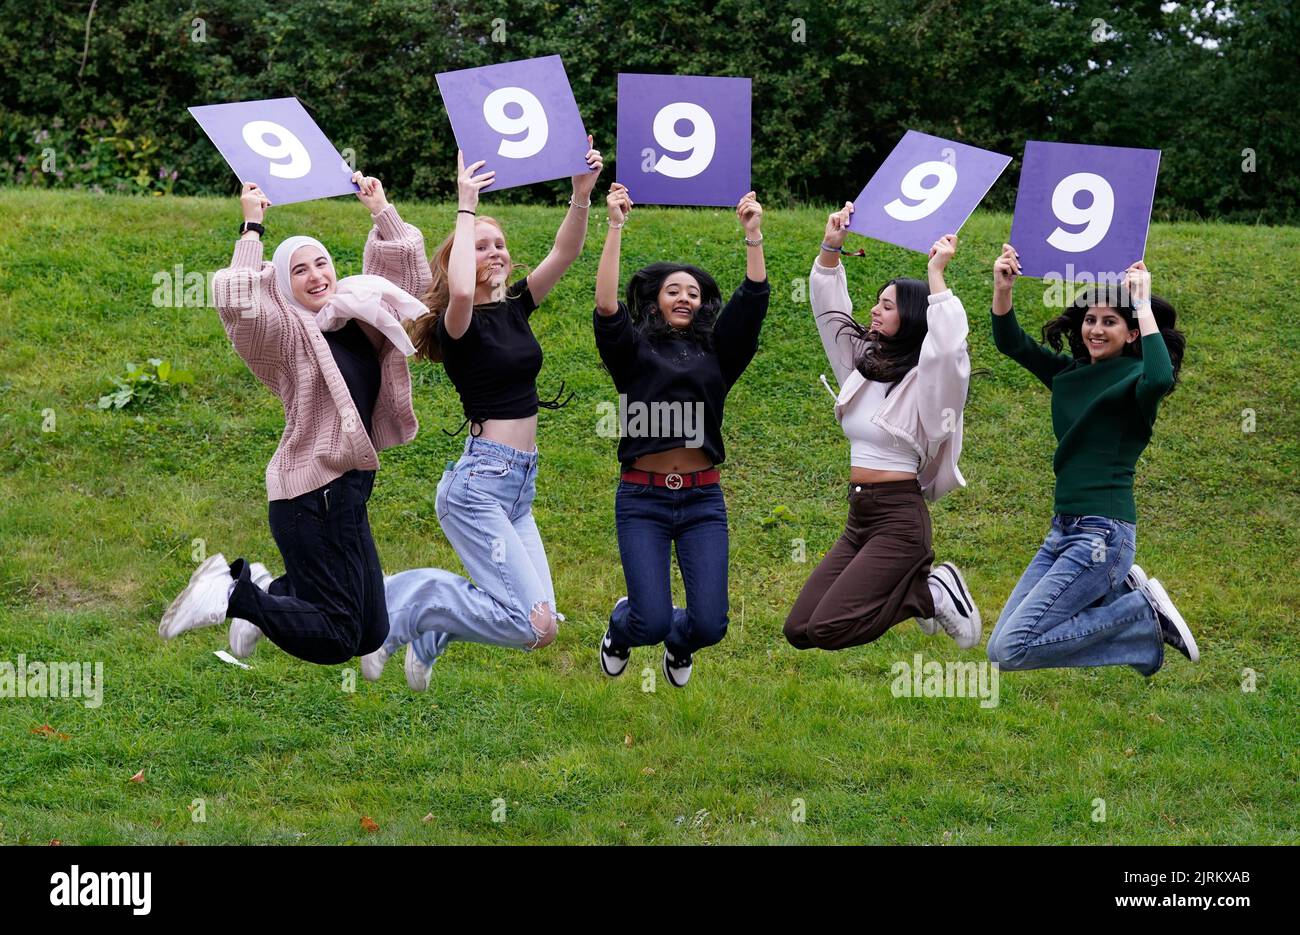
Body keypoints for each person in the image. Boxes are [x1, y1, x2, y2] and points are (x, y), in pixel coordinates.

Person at [158, 173, 431, 665]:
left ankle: (266, 588)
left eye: (321, 262)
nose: (315, 275)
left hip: (347, 491)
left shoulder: (358, 315)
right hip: (313, 495)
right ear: (284, 284)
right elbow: (238, 302)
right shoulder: (286, 335)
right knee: (337, 637)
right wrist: (252, 227)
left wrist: (380, 209)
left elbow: (409, 281)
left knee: (372, 631)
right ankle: (230, 594)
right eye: (299, 270)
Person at [363, 141, 603, 690]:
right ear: (458, 262)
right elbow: (465, 290)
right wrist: (465, 205)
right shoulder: (457, 321)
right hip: (479, 485)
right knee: (530, 620)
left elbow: (565, 255)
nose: (495, 250)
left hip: (519, 488)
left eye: (500, 244)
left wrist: (580, 195)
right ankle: (406, 604)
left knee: (542, 629)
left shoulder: (517, 307)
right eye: (480, 245)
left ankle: (429, 632)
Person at [984, 244, 1198, 674]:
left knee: (1012, 649)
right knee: (999, 651)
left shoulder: (1137, 379)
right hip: (1062, 531)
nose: (1095, 330)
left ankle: (1138, 610)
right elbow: (1012, 343)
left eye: (1110, 322)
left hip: (1104, 533)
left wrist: (1141, 301)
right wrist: (1002, 287)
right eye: (1090, 320)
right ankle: (1133, 611)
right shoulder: (1070, 375)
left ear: (1132, 333)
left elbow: (1160, 375)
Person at [593, 181, 769, 687]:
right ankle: (622, 629)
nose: (685, 297)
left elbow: (752, 299)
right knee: (645, 621)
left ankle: (681, 642)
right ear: (655, 304)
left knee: (710, 624)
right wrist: (615, 225)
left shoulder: (719, 354)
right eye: (673, 290)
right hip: (642, 498)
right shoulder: (632, 352)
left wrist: (752, 235)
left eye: (693, 292)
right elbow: (607, 306)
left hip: (702, 502)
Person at [784, 202, 981, 653]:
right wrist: (831, 248)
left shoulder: (929, 384)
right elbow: (828, 312)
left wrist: (937, 275)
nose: (874, 311)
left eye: (887, 306)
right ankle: (924, 593)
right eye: (876, 301)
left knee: (830, 628)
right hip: (860, 517)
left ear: (911, 317)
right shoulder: (863, 367)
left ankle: (931, 594)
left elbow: (949, 350)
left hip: (899, 519)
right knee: (800, 630)